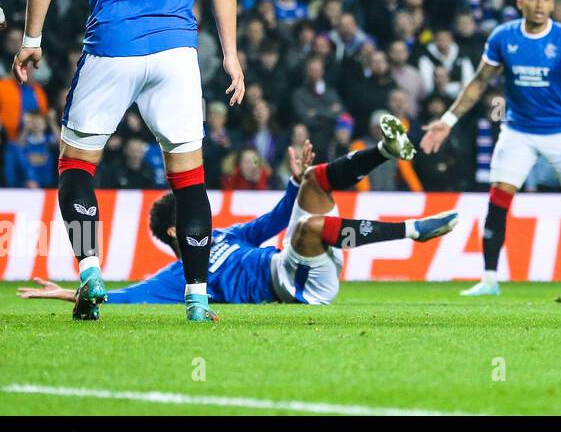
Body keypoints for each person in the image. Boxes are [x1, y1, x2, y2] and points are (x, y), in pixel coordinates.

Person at [12, 0, 245, 323]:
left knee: (77, 165)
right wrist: (229, 54)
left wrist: (32, 40)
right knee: (188, 178)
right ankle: (198, 298)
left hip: (111, 48)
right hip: (175, 54)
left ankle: (91, 271)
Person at [18, 116, 451, 313]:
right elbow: (126, 298)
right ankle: (415, 231)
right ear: (175, 230)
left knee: (317, 179)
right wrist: (66, 293)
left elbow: (274, 221)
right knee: (309, 228)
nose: (200, 219)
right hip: (294, 288)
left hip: (295, 262)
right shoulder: (178, 276)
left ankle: (384, 150)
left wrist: (294, 181)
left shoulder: (224, 236)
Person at [421, 0, 561, 297]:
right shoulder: (503, 38)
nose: (539, 4)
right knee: (498, 198)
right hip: (518, 131)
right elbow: (478, 83)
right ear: (520, 3)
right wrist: (447, 120)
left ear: (553, 4)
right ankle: (488, 279)